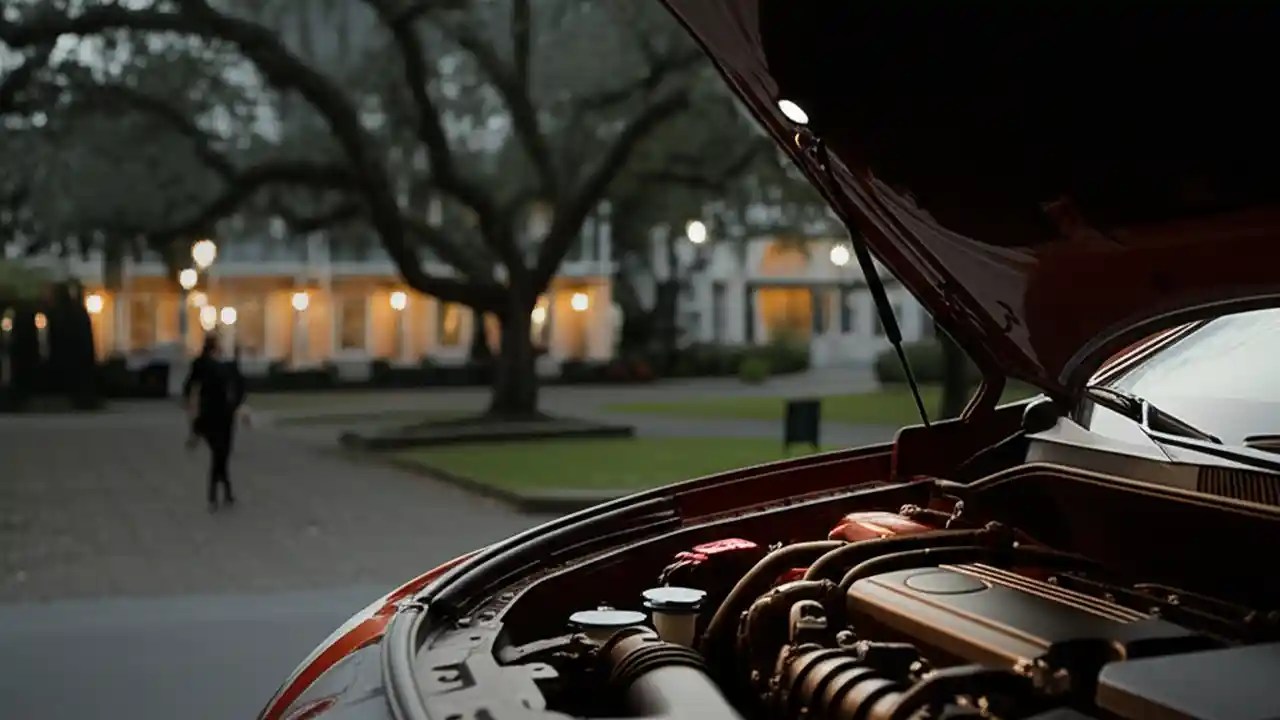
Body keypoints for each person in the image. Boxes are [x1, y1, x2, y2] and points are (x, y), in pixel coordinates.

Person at [183, 334, 247, 512]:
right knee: (221, 455)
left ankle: (224, 493)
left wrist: (189, 405)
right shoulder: (219, 366)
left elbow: (189, 385)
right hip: (221, 415)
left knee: (219, 455)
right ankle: (216, 494)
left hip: (210, 415)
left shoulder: (204, 364)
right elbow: (239, 384)